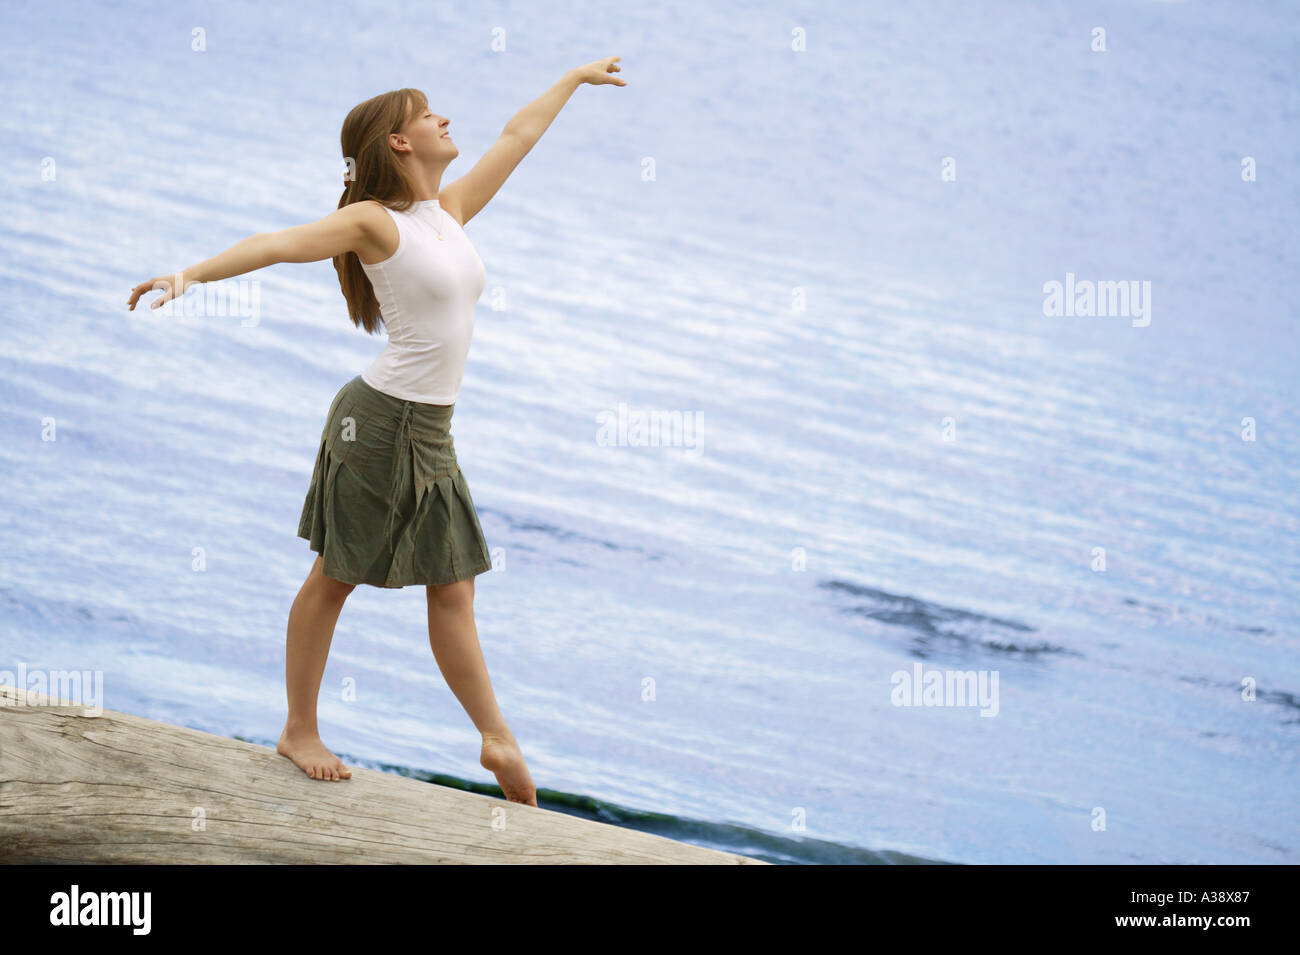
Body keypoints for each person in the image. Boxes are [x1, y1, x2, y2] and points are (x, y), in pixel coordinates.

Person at [126, 58, 628, 807]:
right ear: (398, 141)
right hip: (379, 423)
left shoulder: (447, 211)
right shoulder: (374, 224)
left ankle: (496, 736)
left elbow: (518, 136)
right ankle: (300, 728)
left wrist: (574, 78)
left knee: (453, 586)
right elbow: (277, 242)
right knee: (336, 576)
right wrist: (189, 275)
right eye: (430, 114)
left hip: (430, 427)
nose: (445, 121)